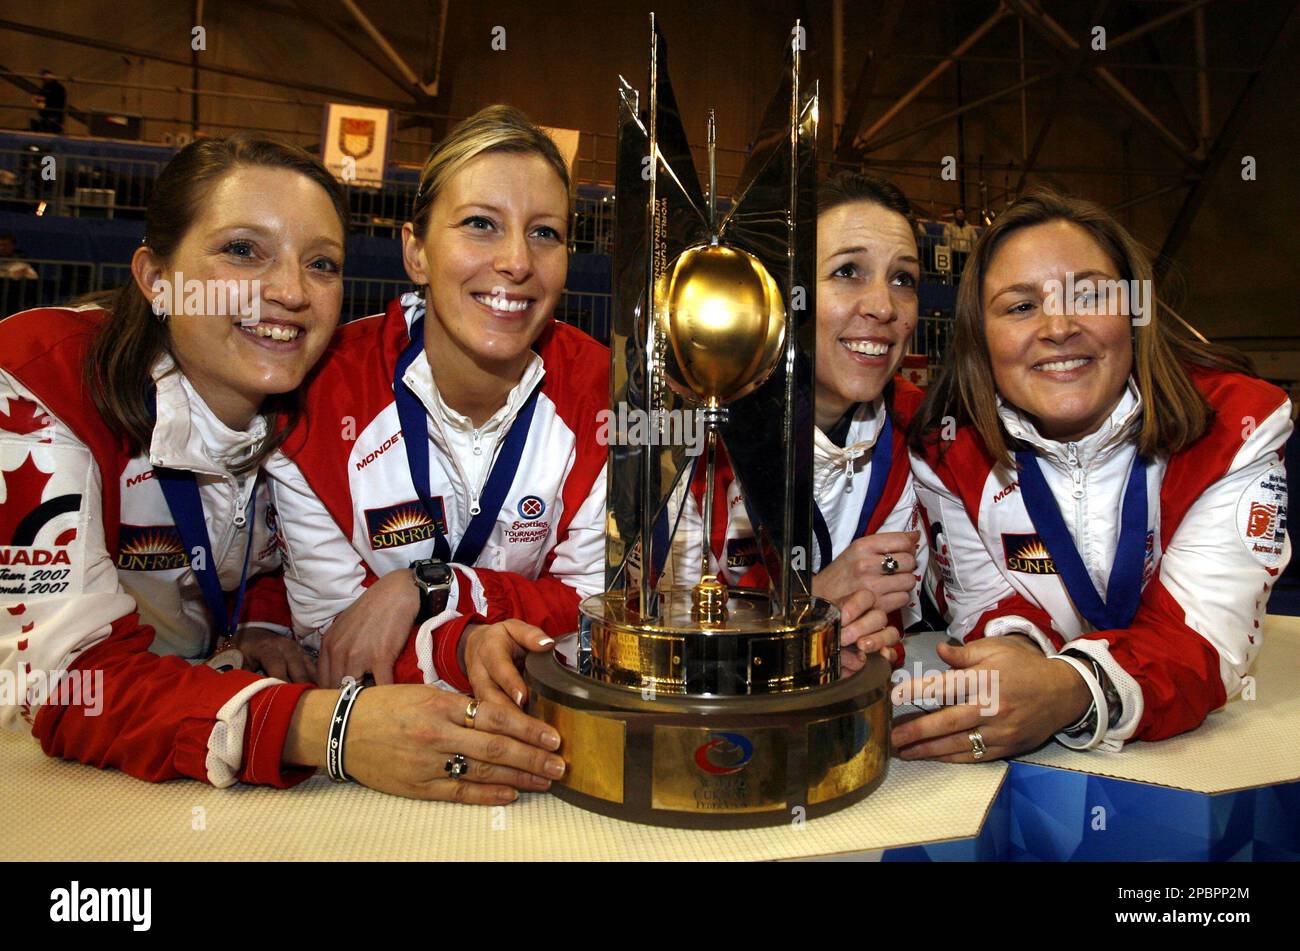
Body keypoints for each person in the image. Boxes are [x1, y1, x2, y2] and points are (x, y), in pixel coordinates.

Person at [1, 133, 561, 804]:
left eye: (321, 263)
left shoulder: (318, 402)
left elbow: (297, 583)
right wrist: (330, 729)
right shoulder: (36, 384)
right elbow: (64, 685)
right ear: (155, 277)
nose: (292, 291)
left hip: (159, 771)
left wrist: (267, 620)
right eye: (243, 250)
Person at [904, 186, 1292, 761]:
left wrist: (1066, 691)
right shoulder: (947, 449)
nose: (1059, 327)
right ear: (980, 339)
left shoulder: (1233, 428)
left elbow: (1203, 637)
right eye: (1020, 306)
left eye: (1088, 296)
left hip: (1201, 756)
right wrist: (1013, 654)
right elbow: (986, 600)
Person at [267, 105, 607, 714]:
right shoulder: (318, 394)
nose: (517, 261)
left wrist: (432, 585)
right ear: (416, 252)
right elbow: (335, 637)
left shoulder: (605, 394)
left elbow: (594, 610)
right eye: (480, 223)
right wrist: (465, 643)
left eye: (545, 232)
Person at [671, 172, 929, 670]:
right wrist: (807, 604)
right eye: (848, 271)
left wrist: (865, 629)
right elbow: (661, 641)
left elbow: (911, 620)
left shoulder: (926, 427)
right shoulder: (691, 430)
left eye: (904, 279)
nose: (883, 306)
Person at [942, 205, 978, 277]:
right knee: (955, 272)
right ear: (955, 215)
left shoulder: (970, 228)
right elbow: (946, 238)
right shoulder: (949, 226)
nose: (960, 215)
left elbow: (975, 240)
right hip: (954, 253)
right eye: (958, 213)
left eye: (962, 213)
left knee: (967, 272)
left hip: (967, 253)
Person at [31, 69, 67, 134]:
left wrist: (44, 100)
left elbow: (57, 101)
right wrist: (38, 99)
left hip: (54, 115)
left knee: (47, 124)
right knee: (35, 122)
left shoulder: (58, 88)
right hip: (45, 114)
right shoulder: (45, 86)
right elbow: (40, 96)